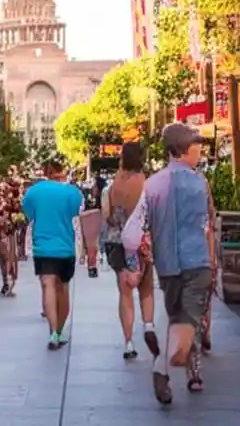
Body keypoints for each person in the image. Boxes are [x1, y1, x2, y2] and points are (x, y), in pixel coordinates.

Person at [122, 123, 217, 404]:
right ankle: (165, 365)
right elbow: (208, 225)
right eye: (196, 145)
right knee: (186, 324)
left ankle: (173, 369)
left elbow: (131, 233)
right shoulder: (201, 183)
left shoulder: (153, 184)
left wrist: (132, 264)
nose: (200, 150)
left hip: (168, 266)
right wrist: (212, 260)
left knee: (179, 318)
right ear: (182, 149)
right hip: (197, 262)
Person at [102, 142, 158, 360]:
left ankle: (128, 342)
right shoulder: (146, 183)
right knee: (146, 288)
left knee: (125, 292)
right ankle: (149, 326)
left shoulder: (114, 184)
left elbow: (108, 215)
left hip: (117, 241)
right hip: (142, 240)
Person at [22, 160, 83, 350]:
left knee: (47, 284)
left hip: (43, 246)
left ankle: (53, 332)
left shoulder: (33, 192)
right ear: (61, 173)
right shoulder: (73, 192)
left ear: (45, 172)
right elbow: (75, 213)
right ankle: (60, 330)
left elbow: (29, 215)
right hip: (65, 246)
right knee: (62, 287)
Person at [0, 182, 22, 296]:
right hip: (0, 234)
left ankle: (9, 283)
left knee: (8, 259)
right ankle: (6, 282)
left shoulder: (13, 203)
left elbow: (18, 216)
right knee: (3, 259)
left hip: (8, 234)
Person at [79, 175, 104, 278]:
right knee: (92, 244)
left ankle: (91, 265)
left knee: (91, 244)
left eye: (94, 186)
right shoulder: (95, 200)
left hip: (94, 220)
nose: (92, 188)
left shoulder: (100, 200)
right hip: (95, 220)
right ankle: (92, 264)